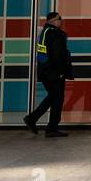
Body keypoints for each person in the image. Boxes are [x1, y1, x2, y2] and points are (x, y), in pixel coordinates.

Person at [25, 10, 73, 138]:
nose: (61, 21)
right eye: (59, 19)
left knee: (53, 97)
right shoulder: (54, 34)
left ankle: (32, 119)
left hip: (46, 71)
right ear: (53, 21)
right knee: (57, 99)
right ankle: (51, 128)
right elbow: (58, 55)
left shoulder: (45, 32)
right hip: (54, 72)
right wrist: (61, 71)